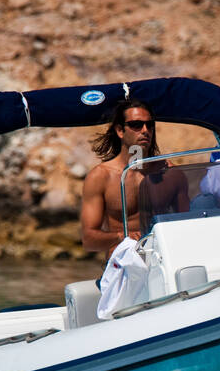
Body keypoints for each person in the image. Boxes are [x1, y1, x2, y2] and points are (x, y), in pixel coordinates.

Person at [80, 99, 189, 254]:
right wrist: (123, 236)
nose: (145, 130)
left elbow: (187, 224)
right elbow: (89, 241)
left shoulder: (170, 174)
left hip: (163, 262)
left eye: (150, 125)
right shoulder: (101, 176)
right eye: (136, 125)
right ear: (120, 130)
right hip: (124, 266)